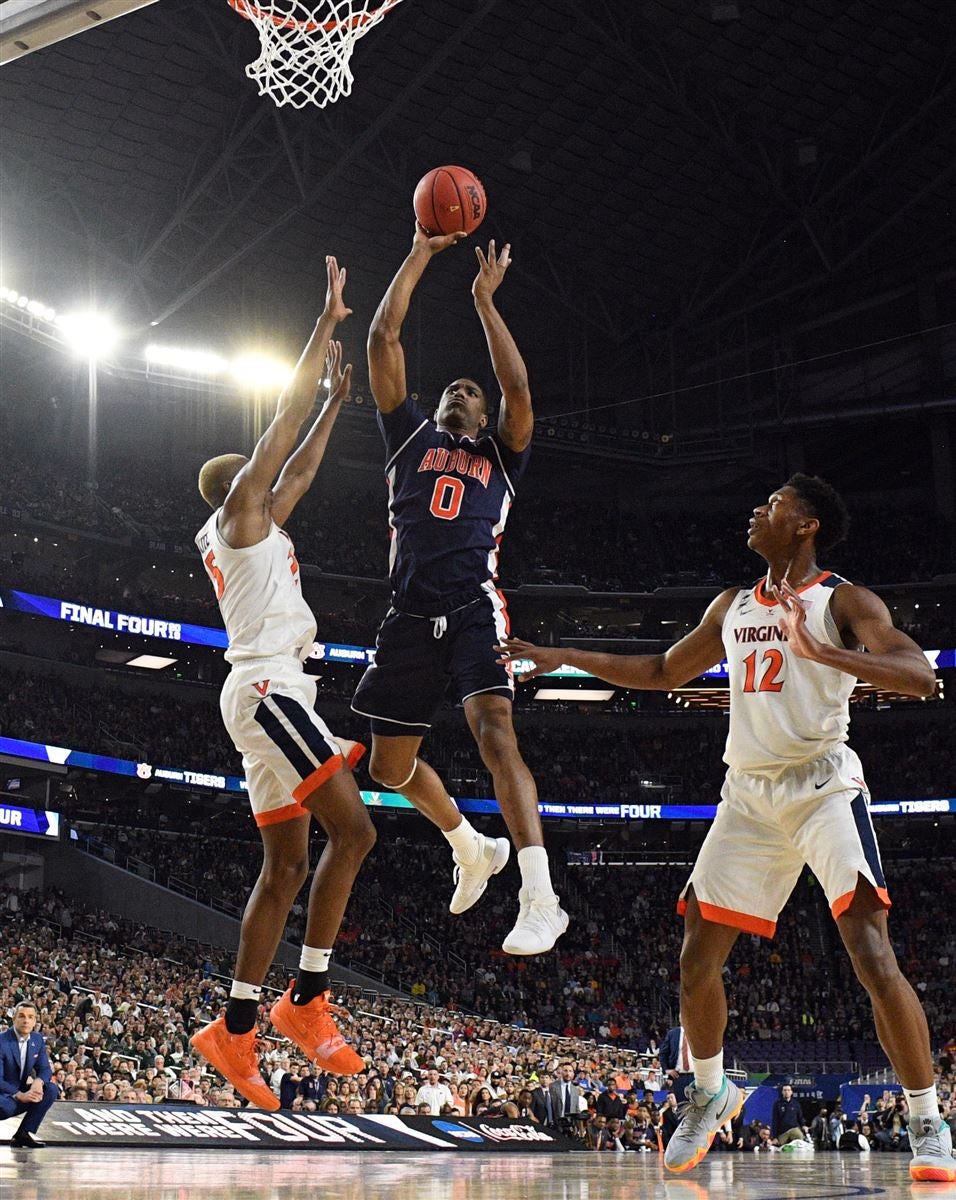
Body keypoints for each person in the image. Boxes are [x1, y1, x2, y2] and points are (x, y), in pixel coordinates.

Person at [499, 474, 954, 1183]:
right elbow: (659, 668)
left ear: (805, 526)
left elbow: (919, 676)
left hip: (821, 784)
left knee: (870, 950)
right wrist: (568, 658)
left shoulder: (844, 600)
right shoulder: (732, 604)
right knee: (694, 958)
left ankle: (927, 1119)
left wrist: (829, 654)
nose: (757, 511)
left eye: (773, 505)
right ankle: (711, 1091)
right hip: (747, 795)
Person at [189, 258, 376, 1110]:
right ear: (236, 488)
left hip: (262, 695)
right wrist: (325, 326)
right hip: (271, 692)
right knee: (359, 833)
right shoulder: (235, 514)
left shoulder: (259, 525)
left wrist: (337, 405)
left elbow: (296, 467)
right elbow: (280, 438)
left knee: (287, 863)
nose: (271, 477)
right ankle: (305, 1001)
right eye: (256, 469)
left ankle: (232, 1030)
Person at [352, 225, 565, 955]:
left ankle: (540, 897)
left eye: (469, 391)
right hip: (408, 615)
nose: (460, 391)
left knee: (496, 736)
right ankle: (471, 847)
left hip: (475, 607)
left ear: (483, 417)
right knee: (387, 768)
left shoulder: (502, 457)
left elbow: (519, 387)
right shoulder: (408, 437)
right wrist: (419, 249)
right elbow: (382, 337)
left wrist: (483, 299)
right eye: (452, 386)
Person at [0, 1001, 59, 1148]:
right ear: (14, 1019)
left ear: (35, 1021)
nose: (26, 1020)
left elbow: (45, 1068)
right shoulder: (2, 1041)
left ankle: (23, 1134)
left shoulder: (37, 1039)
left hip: (16, 1093)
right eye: (21, 1016)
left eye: (30, 1017)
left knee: (50, 1089)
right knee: (5, 1108)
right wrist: (19, 1095)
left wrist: (38, 1082)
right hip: (4, 1094)